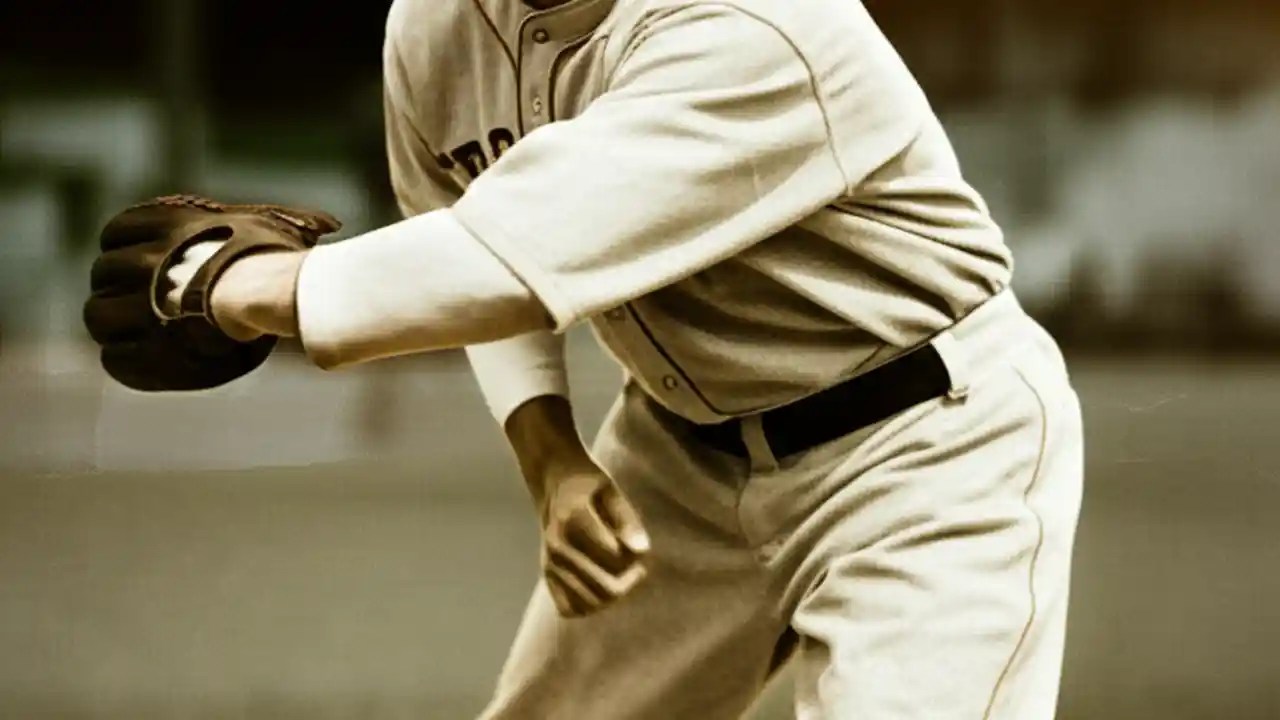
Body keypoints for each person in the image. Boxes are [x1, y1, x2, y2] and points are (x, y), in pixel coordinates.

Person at [151, 0, 1086, 717]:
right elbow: (464, 231)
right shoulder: (435, 26)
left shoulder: (757, 22)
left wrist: (231, 290)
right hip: (679, 457)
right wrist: (551, 461)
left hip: (924, 450)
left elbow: (503, 257)